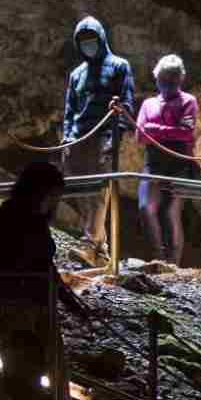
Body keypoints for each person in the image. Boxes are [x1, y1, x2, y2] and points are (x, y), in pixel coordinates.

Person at [0, 161, 92, 352]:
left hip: (37, 303)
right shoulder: (12, 218)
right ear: (37, 192)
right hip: (18, 306)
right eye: (53, 196)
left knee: (40, 366)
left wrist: (72, 304)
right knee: (24, 367)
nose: (55, 202)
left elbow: (46, 267)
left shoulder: (30, 219)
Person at [59, 16, 133, 258]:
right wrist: (67, 137)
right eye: (83, 42)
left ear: (101, 39)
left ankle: (91, 244)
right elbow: (70, 109)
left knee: (99, 191)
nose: (88, 45)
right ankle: (100, 248)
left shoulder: (119, 66)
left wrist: (114, 138)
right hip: (78, 138)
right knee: (80, 191)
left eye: (92, 40)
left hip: (103, 136)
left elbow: (125, 104)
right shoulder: (77, 74)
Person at [134, 53, 200, 265]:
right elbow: (139, 136)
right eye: (163, 79)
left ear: (180, 79)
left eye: (172, 79)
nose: (167, 83)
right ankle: (158, 258)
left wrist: (155, 129)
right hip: (153, 163)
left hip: (178, 163)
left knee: (171, 211)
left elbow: (186, 133)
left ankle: (173, 263)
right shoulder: (148, 104)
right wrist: (168, 131)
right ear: (157, 78)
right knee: (146, 207)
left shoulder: (188, 101)